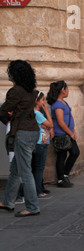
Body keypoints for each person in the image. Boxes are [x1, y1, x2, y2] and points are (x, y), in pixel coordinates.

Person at [0, 60, 41, 217]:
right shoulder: (31, 91)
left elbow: (3, 111)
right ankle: (8, 202)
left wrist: (10, 113)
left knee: (24, 171)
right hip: (32, 131)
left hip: (22, 132)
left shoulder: (15, 91)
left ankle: (32, 206)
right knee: (15, 169)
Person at [48, 81, 80, 188]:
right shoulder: (57, 105)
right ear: (62, 90)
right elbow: (60, 121)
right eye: (67, 88)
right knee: (62, 156)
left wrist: (73, 130)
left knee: (74, 152)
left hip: (68, 133)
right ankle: (61, 179)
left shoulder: (63, 102)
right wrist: (70, 133)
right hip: (62, 134)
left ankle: (65, 174)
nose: (68, 91)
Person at [32, 91, 53, 199]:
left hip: (40, 141)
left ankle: (37, 189)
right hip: (40, 142)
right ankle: (38, 191)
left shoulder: (33, 113)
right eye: (42, 100)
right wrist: (46, 110)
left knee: (36, 167)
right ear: (36, 101)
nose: (44, 102)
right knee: (39, 168)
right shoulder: (38, 113)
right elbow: (50, 124)